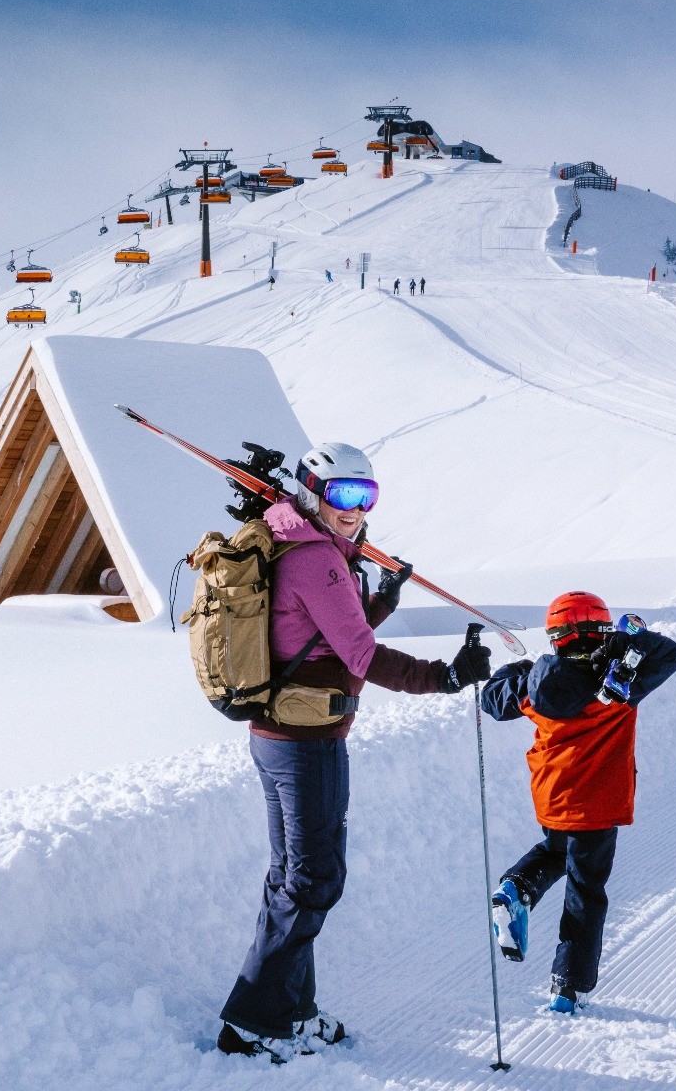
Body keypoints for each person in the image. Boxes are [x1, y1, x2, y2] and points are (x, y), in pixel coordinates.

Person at [218, 443, 492, 1063]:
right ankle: (251, 1023)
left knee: (292, 880)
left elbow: (325, 633)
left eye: (366, 497)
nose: (355, 510)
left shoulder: (298, 544)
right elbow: (360, 656)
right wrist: (448, 675)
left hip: (278, 734)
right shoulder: (318, 560)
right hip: (307, 743)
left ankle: (292, 1011)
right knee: (314, 882)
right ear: (314, 492)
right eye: (342, 495)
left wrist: (384, 600)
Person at [480, 593, 676, 1013]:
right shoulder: (622, 685)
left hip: (555, 796)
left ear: (555, 637)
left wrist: (524, 669)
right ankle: (567, 987)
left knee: (558, 850)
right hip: (599, 804)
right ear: (603, 632)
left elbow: (492, 699)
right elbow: (672, 654)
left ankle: (516, 886)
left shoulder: (535, 687)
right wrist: (632, 640)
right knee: (586, 890)